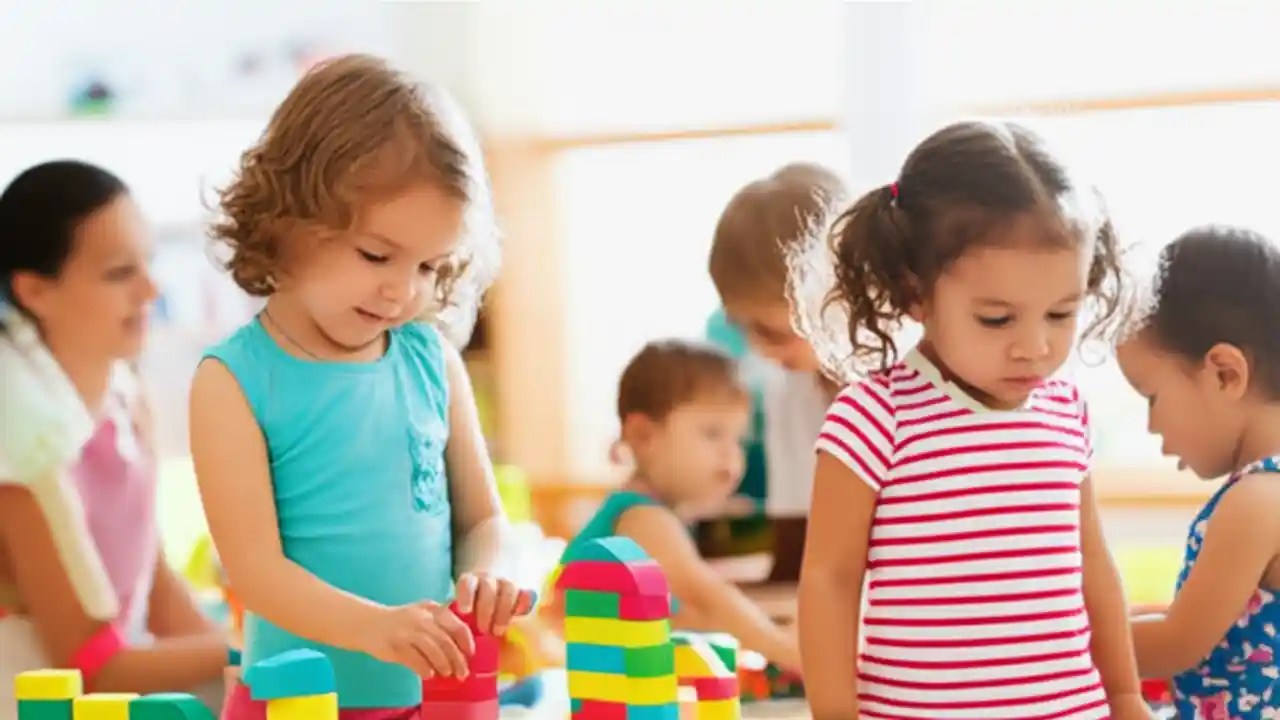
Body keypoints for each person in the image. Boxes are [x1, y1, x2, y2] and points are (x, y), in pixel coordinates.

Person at [191, 55, 526, 719]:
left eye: (431, 265)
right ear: (287, 220)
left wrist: (490, 571)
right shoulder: (233, 381)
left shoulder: (430, 359)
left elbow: (484, 519)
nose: (403, 290)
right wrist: (377, 629)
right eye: (377, 255)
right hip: (297, 702)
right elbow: (257, 574)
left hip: (439, 699)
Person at [796, 120, 1147, 719]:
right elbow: (829, 581)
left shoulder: (1065, 411)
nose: (1034, 346)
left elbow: (1093, 567)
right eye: (996, 319)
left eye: (1061, 313)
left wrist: (1125, 695)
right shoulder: (874, 418)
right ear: (915, 292)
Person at [0, 161, 228, 715]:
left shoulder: (126, 399)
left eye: (147, 263)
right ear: (34, 291)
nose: (151, 288)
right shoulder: (21, 446)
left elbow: (154, 583)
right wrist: (250, 652)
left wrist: (254, 654)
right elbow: (89, 664)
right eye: (119, 272)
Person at [1117, 227, 1280, 718]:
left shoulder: (1258, 500)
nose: (1151, 425)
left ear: (1224, 374)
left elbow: (1178, 643)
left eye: (1152, 397)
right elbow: (1211, 621)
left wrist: (1056, 640)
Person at [562, 339, 802, 673]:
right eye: (712, 433)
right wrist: (792, 652)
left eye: (737, 439)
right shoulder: (641, 518)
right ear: (643, 435)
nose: (731, 454)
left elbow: (695, 615)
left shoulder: (650, 516)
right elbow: (708, 600)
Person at [705, 163, 849, 580]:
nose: (758, 350)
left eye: (772, 331)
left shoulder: (909, 383)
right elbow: (795, 546)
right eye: (744, 328)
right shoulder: (791, 390)